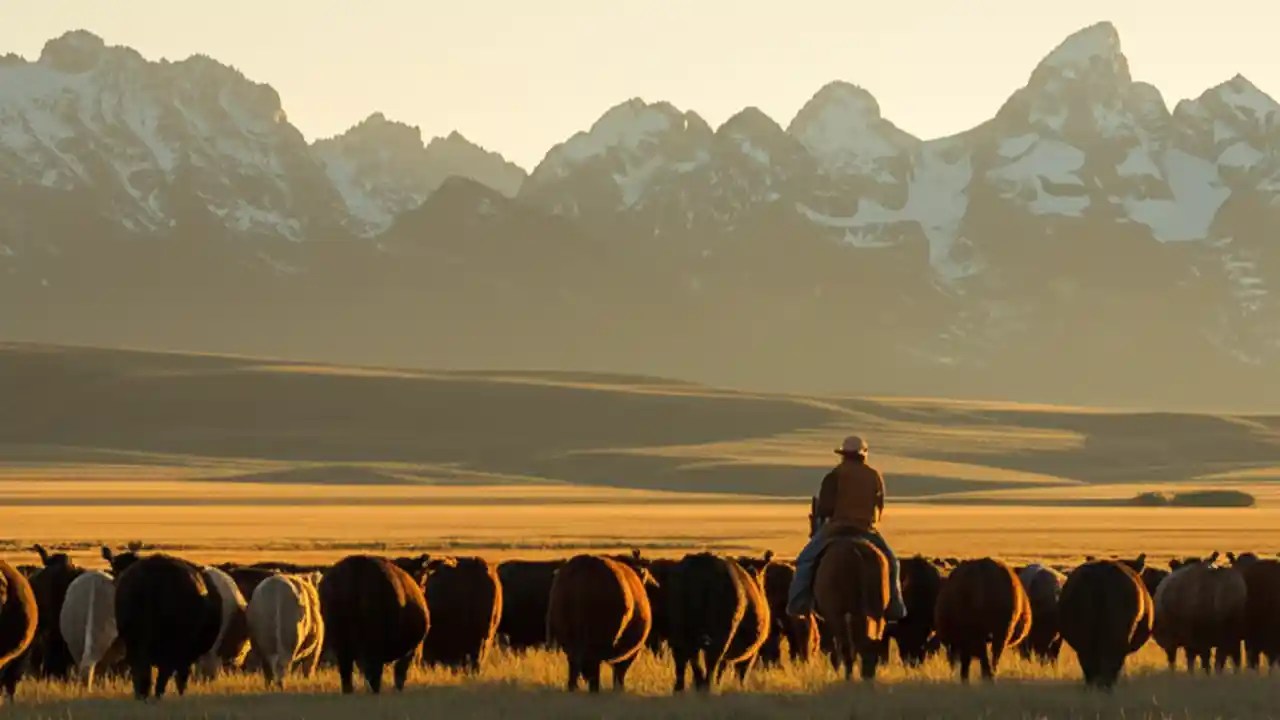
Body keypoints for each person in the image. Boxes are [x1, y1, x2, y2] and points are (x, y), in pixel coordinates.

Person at [785, 435, 906, 620]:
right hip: (866, 530)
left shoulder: (835, 475)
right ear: (863, 455)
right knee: (892, 563)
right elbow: (879, 507)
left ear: (843, 454)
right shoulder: (874, 476)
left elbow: (825, 508)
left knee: (805, 561)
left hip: (836, 529)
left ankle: (798, 604)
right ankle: (895, 607)